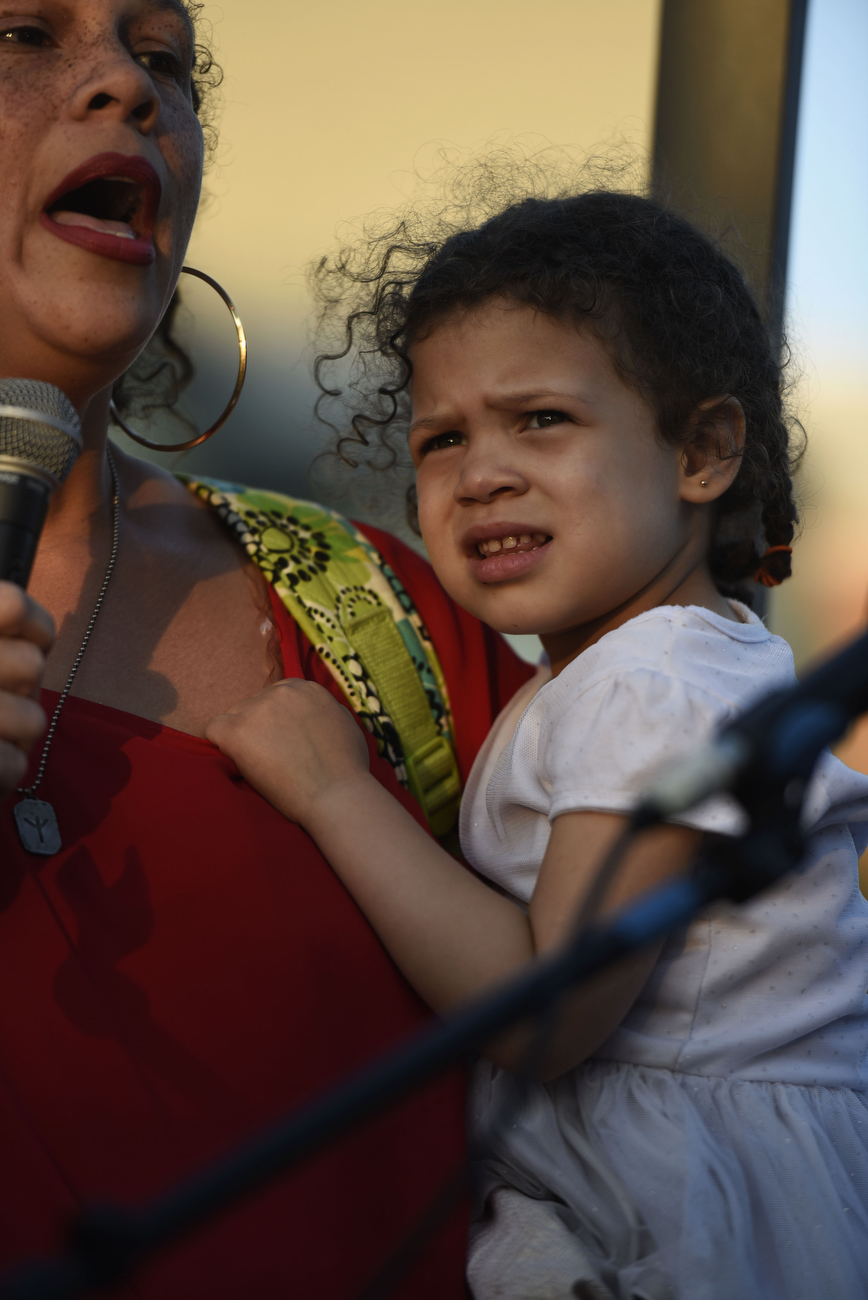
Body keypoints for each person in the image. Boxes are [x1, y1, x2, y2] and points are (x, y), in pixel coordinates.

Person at [208, 190, 868, 1300]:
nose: (482, 474)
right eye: (443, 438)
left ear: (701, 452)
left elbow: (552, 1010)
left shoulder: (653, 678)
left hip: (692, 1213)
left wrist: (335, 792)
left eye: (542, 420)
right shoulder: (622, 670)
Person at [0, 4, 531, 1297]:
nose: (127, 84)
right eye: (24, 35)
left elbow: (680, 1023)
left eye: (165, 58)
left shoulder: (370, 605)